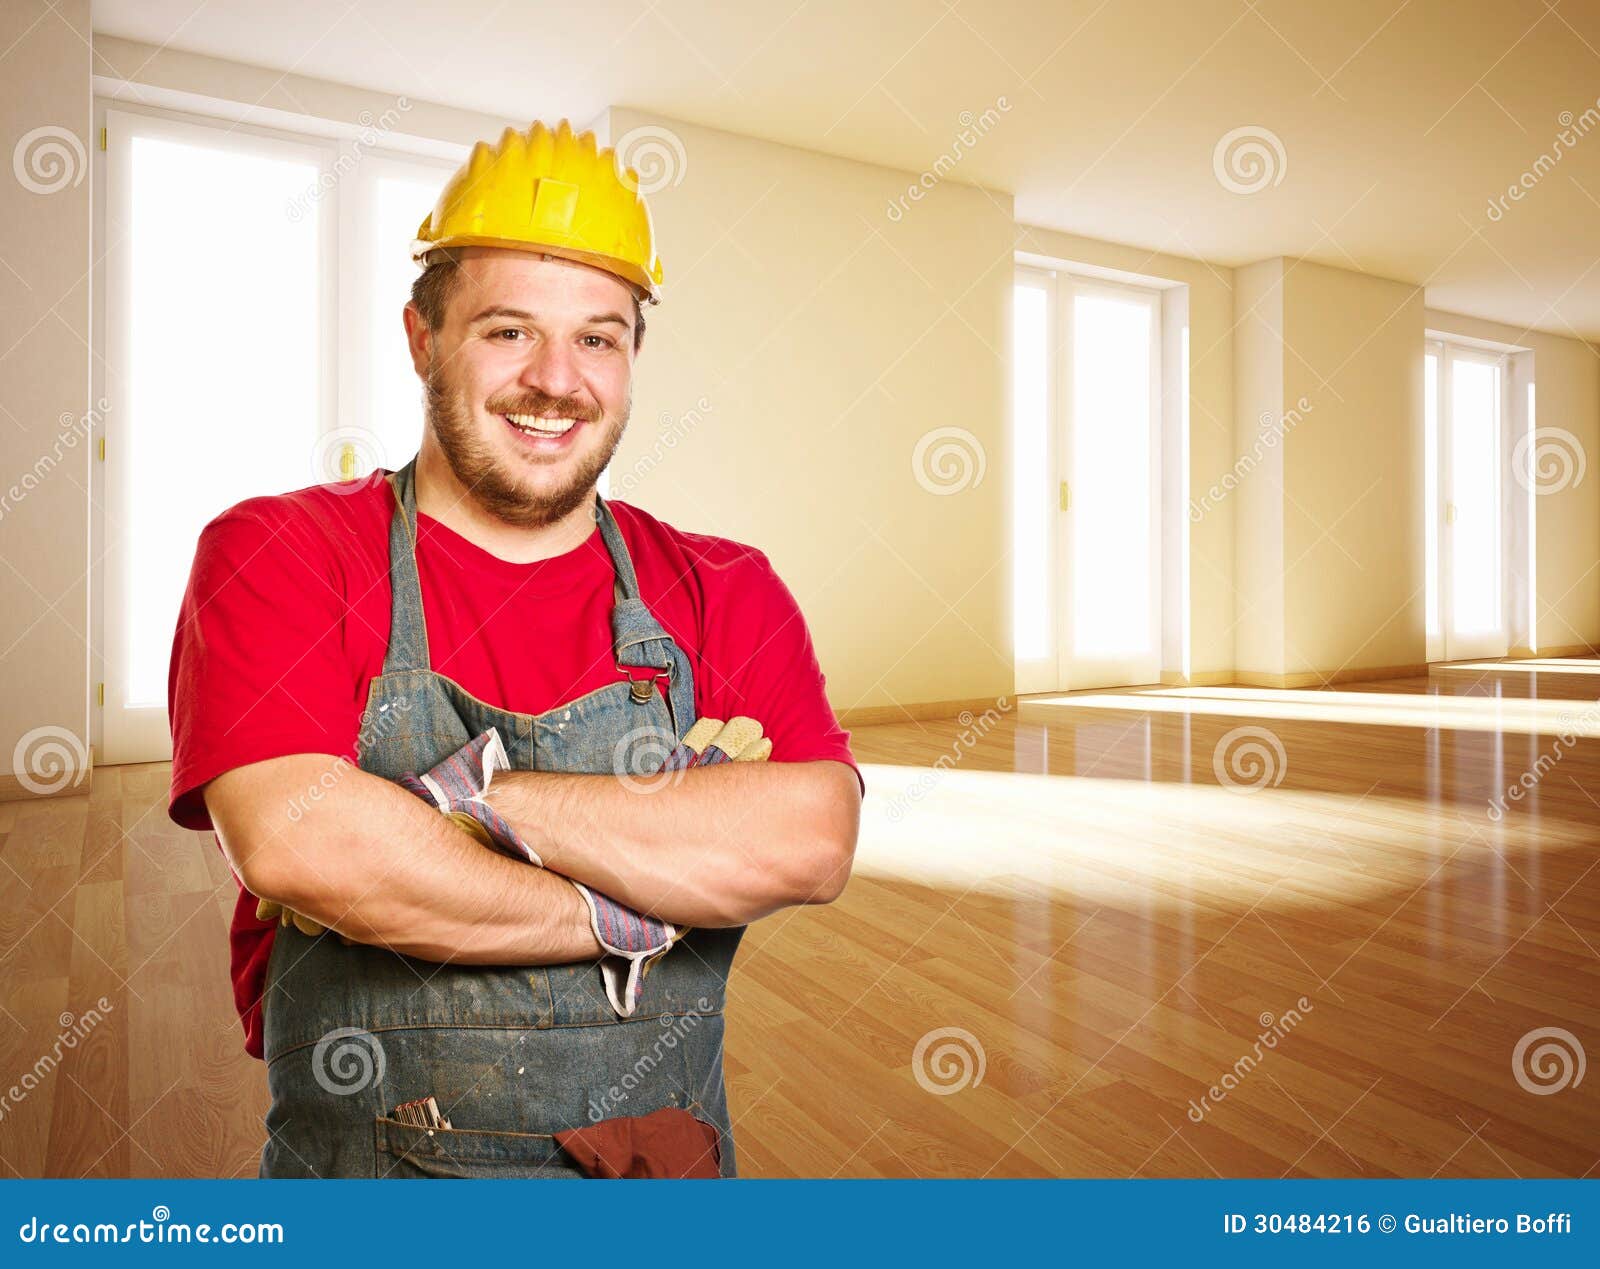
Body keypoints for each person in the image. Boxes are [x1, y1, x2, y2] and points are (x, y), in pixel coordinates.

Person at [165, 118, 864, 1179]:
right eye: (508, 331)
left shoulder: (725, 587)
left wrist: (465, 802)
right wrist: (637, 897)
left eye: (598, 339)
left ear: (631, 359)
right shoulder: (282, 551)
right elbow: (301, 844)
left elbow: (810, 840)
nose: (556, 380)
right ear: (422, 339)